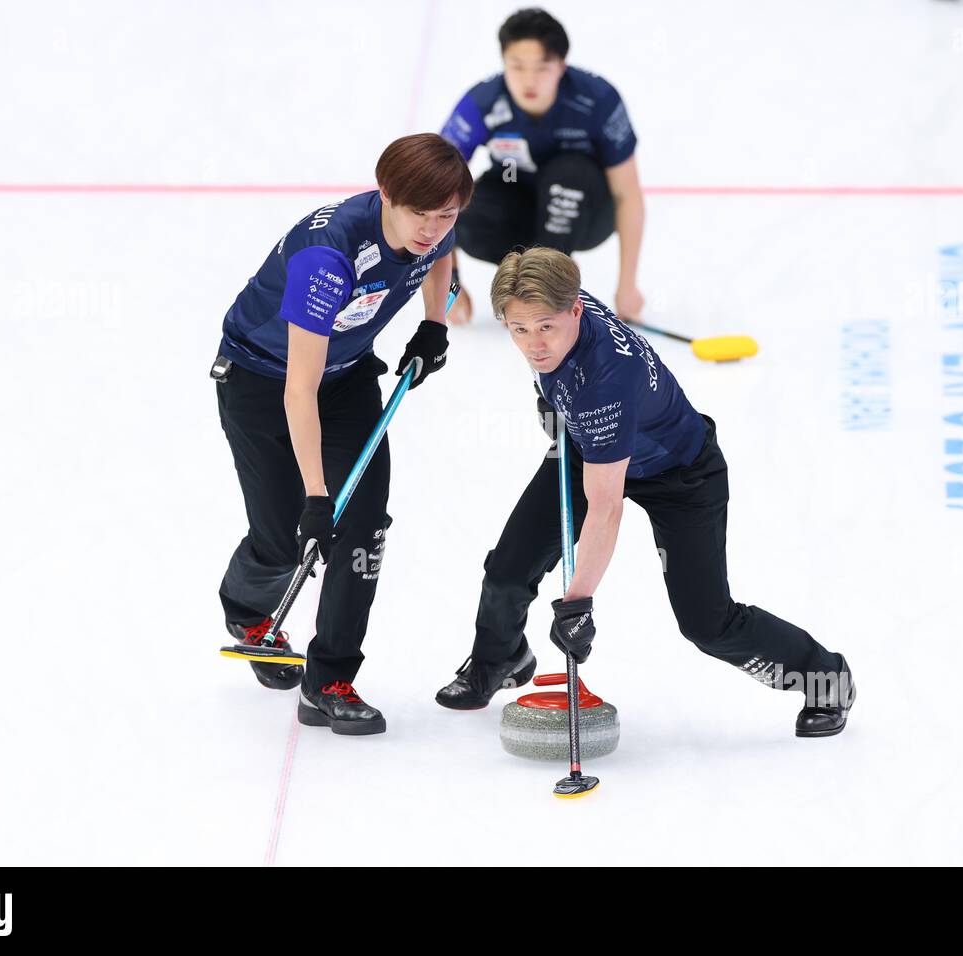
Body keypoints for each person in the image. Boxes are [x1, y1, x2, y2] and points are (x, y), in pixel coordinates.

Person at [435, 248, 856, 737]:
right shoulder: (555, 296)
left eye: (545, 327)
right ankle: (499, 658)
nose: (534, 345)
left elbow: (605, 510)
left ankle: (827, 678)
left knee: (707, 622)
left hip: (679, 474)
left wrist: (577, 604)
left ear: (575, 310)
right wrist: (549, 398)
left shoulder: (603, 385)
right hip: (590, 446)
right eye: (518, 330)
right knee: (508, 569)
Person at [214, 133, 472, 736]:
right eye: (420, 215)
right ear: (386, 195)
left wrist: (435, 324)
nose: (433, 229)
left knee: (363, 531)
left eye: (447, 215)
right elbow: (298, 390)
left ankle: (329, 679)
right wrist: (315, 496)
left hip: (349, 376)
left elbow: (443, 256)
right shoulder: (326, 259)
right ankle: (250, 609)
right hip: (261, 380)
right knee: (285, 535)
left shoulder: (435, 224)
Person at [439, 8, 646, 325]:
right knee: (467, 210)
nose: (528, 80)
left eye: (542, 68)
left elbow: (627, 193)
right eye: (517, 67)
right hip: (513, 191)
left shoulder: (598, 100)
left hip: (583, 208)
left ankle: (547, 285)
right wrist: (448, 286)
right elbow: (436, 189)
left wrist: (627, 285)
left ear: (562, 66)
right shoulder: (482, 103)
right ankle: (524, 283)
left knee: (568, 173)